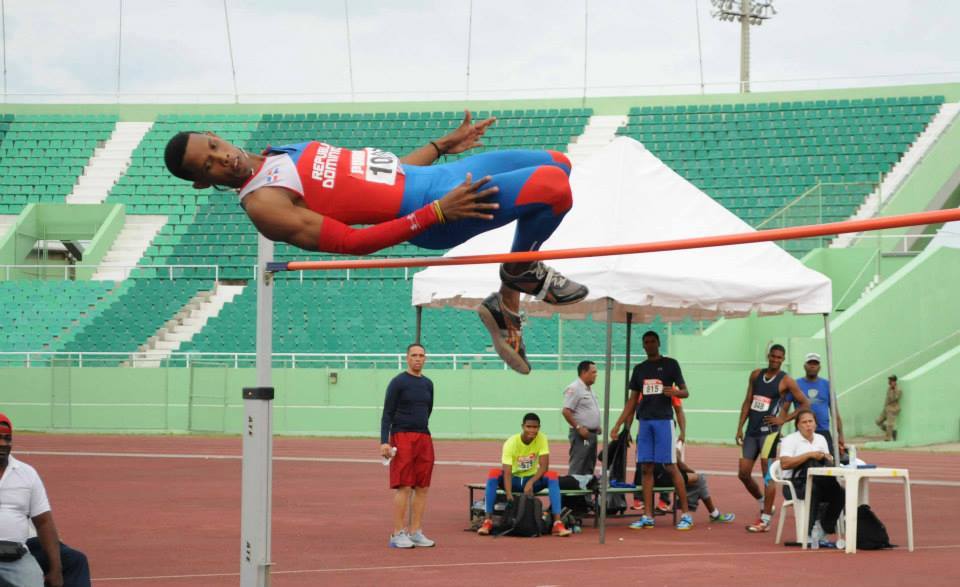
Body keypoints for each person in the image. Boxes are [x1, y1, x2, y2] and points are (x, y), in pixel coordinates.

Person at [163, 111, 588, 375]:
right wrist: (437, 213)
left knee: (559, 163)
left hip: (435, 177)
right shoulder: (264, 203)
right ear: (202, 182)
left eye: (214, 146)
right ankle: (518, 273)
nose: (223, 158)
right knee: (553, 187)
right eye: (209, 165)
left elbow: (387, 176)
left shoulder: (281, 151)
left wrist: (441, 146)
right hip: (438, 209)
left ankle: (507, 299)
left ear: (215, 133)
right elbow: (354, 242)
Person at [609, 331, 694, 531]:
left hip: (663, 421)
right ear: (643, 345)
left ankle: (686, 514)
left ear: (658, 343)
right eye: (646, 342)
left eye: (652, 341)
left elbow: (685, 392)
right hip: (645, 422)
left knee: (670, 466)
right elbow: (632, 400)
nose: (649, 345)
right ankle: (647, 515)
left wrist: (675, 392)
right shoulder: (639, 369)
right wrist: (619, 424)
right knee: (646, 468)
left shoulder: (671, 364)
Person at [735, 344, 810, 533]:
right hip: (751, 432)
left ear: (783, 359)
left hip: (769, 433)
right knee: (743, 473)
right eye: (773, 356)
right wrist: (740, 427)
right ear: (768, 356)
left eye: (779, 357)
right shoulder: (755, 375)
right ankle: (763, 502)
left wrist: (784, 419)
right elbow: (747, 401)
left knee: (768, 476)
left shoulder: (786, 381)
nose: (775, 360)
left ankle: (765, 520)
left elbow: (804, 403)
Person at [0, 413, 76, 587]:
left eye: (7, 438)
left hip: (16, 558)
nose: (3, 444)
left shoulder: (27, 474)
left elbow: (44, 522)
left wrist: (56, 569)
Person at [476, 413, 573, 537]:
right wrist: (509, 494)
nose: (532, 430)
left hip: (531, 481)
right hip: (514, 480)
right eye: (528, 427)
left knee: (552, 475)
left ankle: (557, 523)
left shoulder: (542, 438)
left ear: (539, 428)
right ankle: (487, 521)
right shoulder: (511, 443)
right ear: (522, 426)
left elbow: (544, 466)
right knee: (493, 473)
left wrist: (531, 482)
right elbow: (507, 472)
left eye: (535, 427)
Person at [380, 344, 436, 548]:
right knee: (404, 486)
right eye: (414, 355)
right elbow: (387, 413)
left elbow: (428, 410)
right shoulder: (398, 382)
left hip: (424, 437)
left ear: (425, 358)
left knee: (422, 486)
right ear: (407, 358)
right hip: (401, 436)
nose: (418, 359)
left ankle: (415, 532)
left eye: (421, 355)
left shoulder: (428, 384)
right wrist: (384, 441)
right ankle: (397, 533)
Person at [778, 409, 845, 545]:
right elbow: (784, 464)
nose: (808, 425)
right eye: (804, 422)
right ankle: (807, 533)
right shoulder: (790, 440)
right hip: (794, 484)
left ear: (815, 424)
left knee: (840, 492)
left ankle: (824, 528)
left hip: (819, 480)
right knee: (813, 490)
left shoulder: (821, 439)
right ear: (798, 425)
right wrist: (809, 455)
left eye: (810, 421)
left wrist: (826, 457)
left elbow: (828, 461)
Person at [652, 443, 736, 524]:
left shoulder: (648, 442)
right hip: (664, 478)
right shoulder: (665, 440)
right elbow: (680, 464)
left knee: (691, 477)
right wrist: (691, 470)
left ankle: (713, 513)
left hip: (650, 480)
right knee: (700, 479)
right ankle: (713, 514)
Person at [785, 352, 845, 455]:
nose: (812, 366)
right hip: (802, 431)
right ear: (805, 366)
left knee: (828, 461)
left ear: (819, 367)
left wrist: (841, 435)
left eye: (815, 363)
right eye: (810, 363)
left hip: (823, 431)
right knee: (801, 461)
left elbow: (835, 413)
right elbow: (784, 409)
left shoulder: (827, 385)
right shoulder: (796, 384)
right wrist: (779, 426)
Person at [561, 360, 601, 476]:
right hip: (582, 435)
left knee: (589, 464)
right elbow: (566, 411)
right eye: (593, 372)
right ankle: (573, 487)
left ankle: (585, 488)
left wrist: (596, 425)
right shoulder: (574, 388)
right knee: (579, 463)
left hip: (591, 434)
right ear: (584, 372)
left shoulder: (589, 389)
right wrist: (578, 427)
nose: (596, 375)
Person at [876, 375, 901, 441]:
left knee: (889, 424)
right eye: (889, 380)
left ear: (894, 382)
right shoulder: (889, 388)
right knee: (878, 422)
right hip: (886, 408)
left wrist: (893, 390)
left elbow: (894, 399)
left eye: (891, 381)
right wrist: (884, 407)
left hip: (893, 409)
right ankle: (893, 432)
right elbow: (887, 399)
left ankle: (888, 438)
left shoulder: (898, 390)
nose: (889, 382)